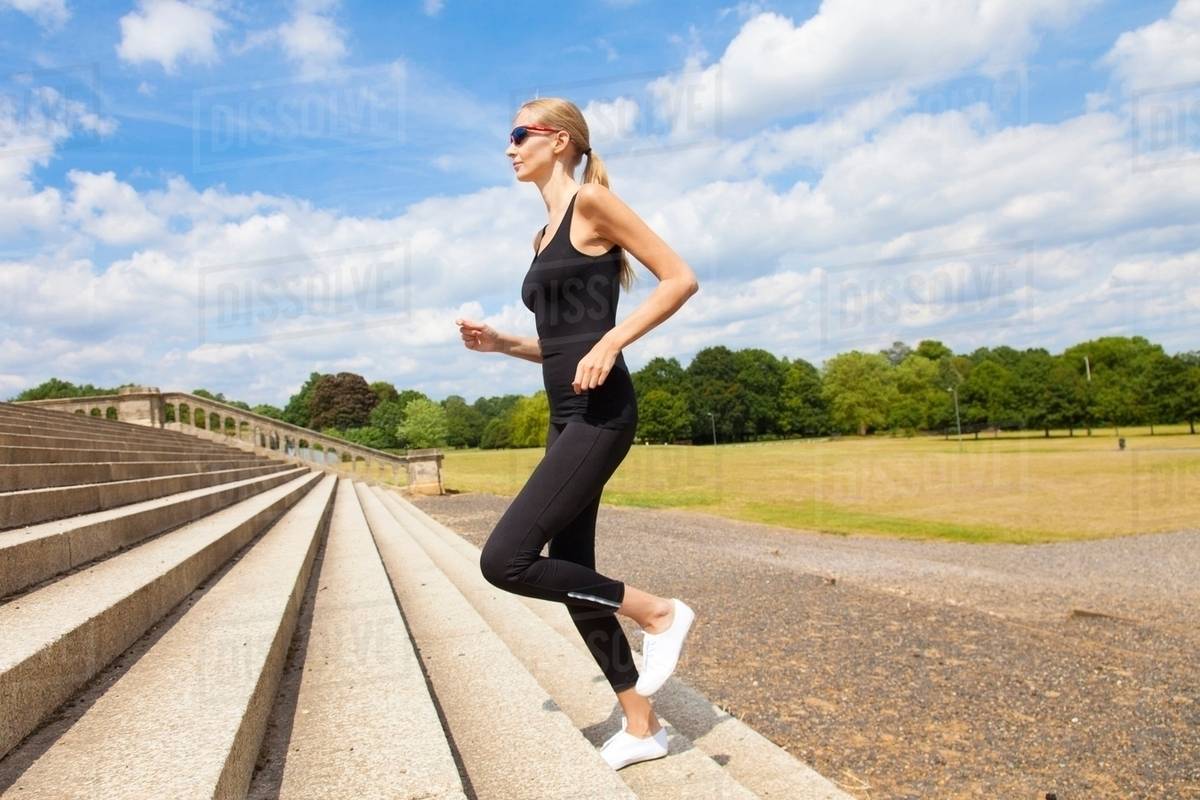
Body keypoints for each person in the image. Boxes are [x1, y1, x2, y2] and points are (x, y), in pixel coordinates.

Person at [454, 96, 699, 771]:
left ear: (558, 140)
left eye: (518, 135)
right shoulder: (541, 237)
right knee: (573, 575)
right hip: (565, 419)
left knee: (505, 558)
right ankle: (643, 725)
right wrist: (505, 343)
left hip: (602, 413)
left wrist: (614, 341)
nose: (509, 148)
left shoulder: (594, 203)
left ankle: (658, 613)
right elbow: (561, 344)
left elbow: (680, 278)